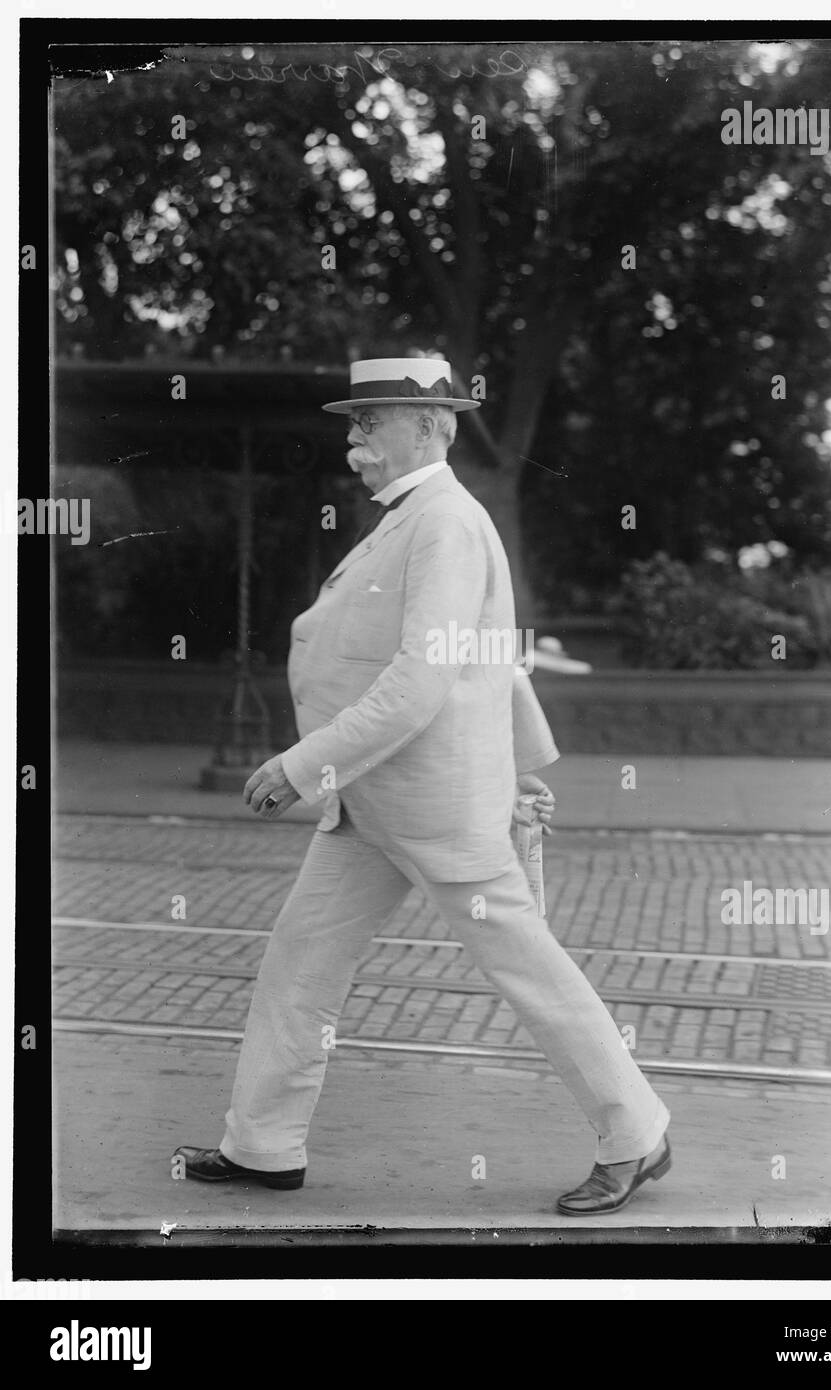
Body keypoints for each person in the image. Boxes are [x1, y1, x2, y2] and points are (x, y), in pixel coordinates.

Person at [174, 356, 672, 1215]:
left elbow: (421, 682)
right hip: (371, 806)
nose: (353, 438)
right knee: (298, 959)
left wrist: (299, 766)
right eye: (353, 422)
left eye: (371, 422)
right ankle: (261, 1146)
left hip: (436, 807)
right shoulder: (408, 519)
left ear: (433, 428)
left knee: (528, 971)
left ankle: (636, 1135)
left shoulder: (444, 521)